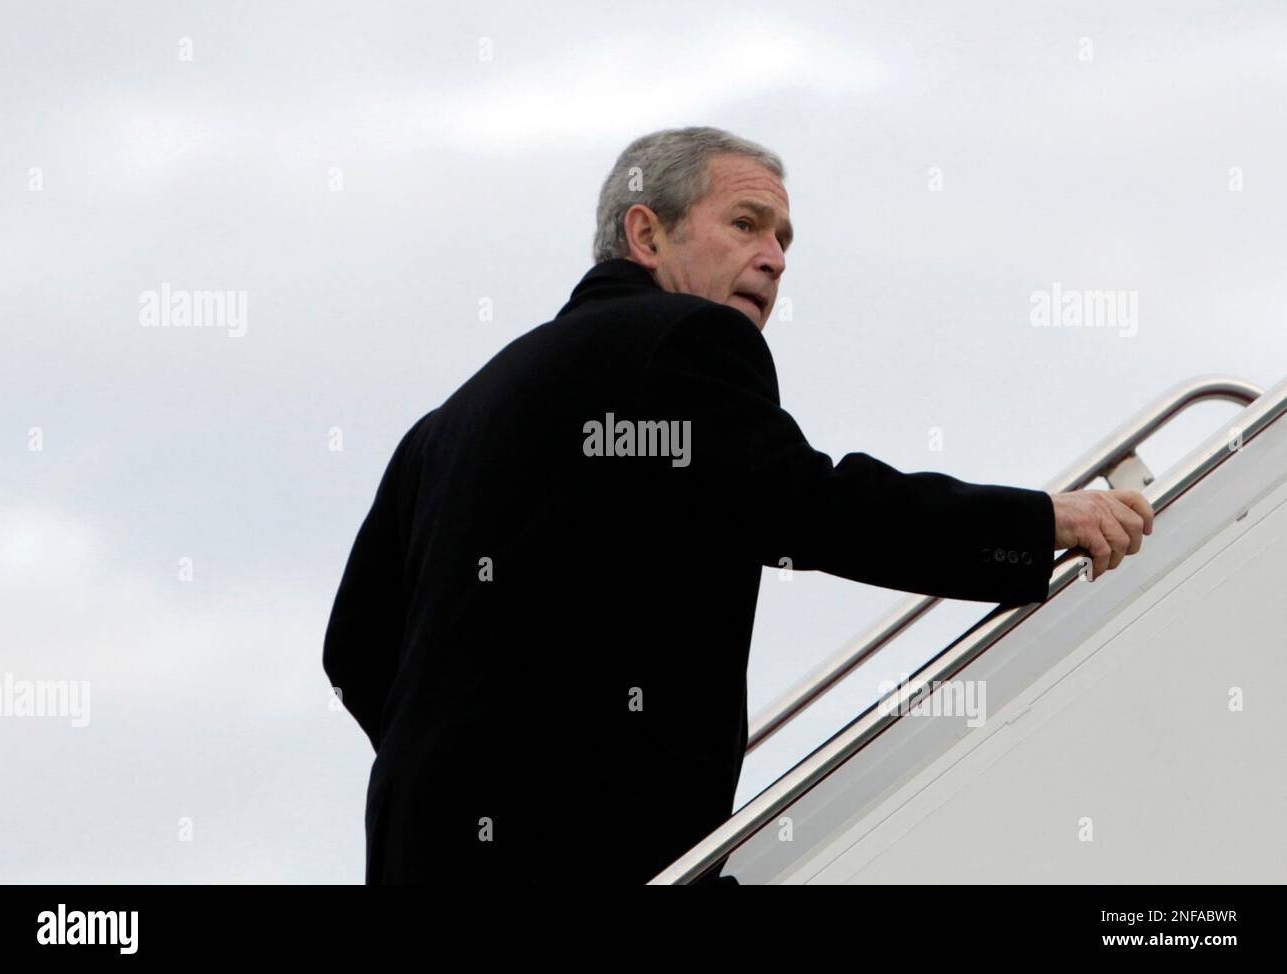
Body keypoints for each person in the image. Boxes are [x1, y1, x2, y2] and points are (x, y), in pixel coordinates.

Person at [323, 126, 1154, 886]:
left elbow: (355, 645)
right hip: (588, 847)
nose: (776, 258)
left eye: (784, 239)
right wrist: (1043, 523)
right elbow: (809, 505)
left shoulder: (449, 421)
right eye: (747, 225)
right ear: (646, 233)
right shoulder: (682, 341)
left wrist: (457, 762)